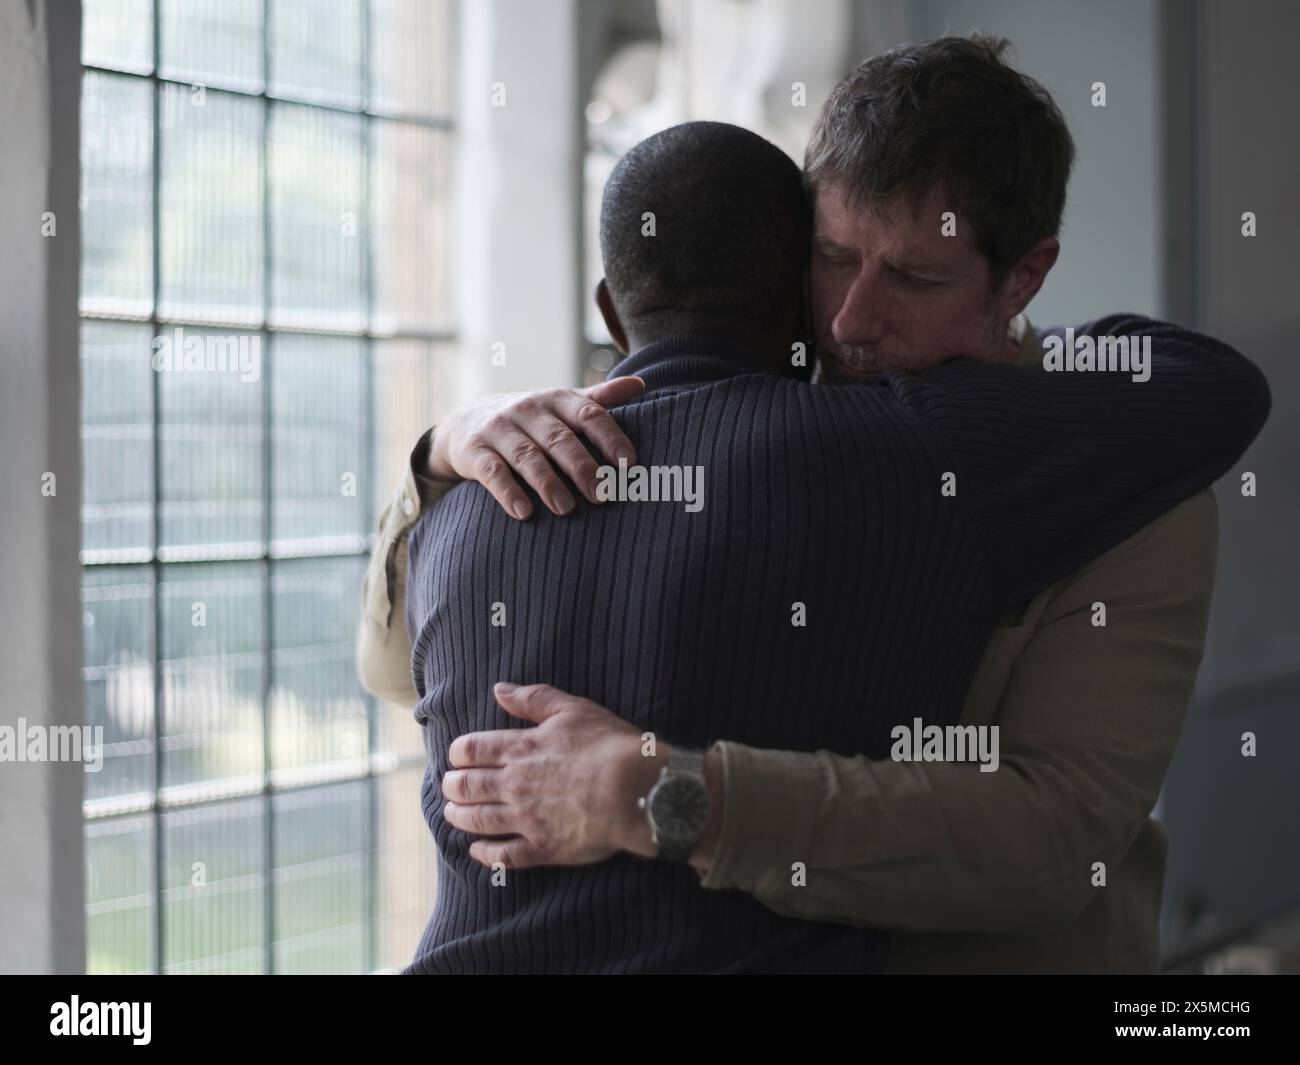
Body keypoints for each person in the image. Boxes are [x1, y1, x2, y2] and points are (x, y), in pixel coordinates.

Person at [383, 113, 1266, 973]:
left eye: (916, 277)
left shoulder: (1112, 476)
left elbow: (1052, 841)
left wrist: (661, 794)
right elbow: (395, 668)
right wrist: (441, 448)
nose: (849, 320)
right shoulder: (547, 449)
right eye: (834, 259)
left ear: (1022, 279)